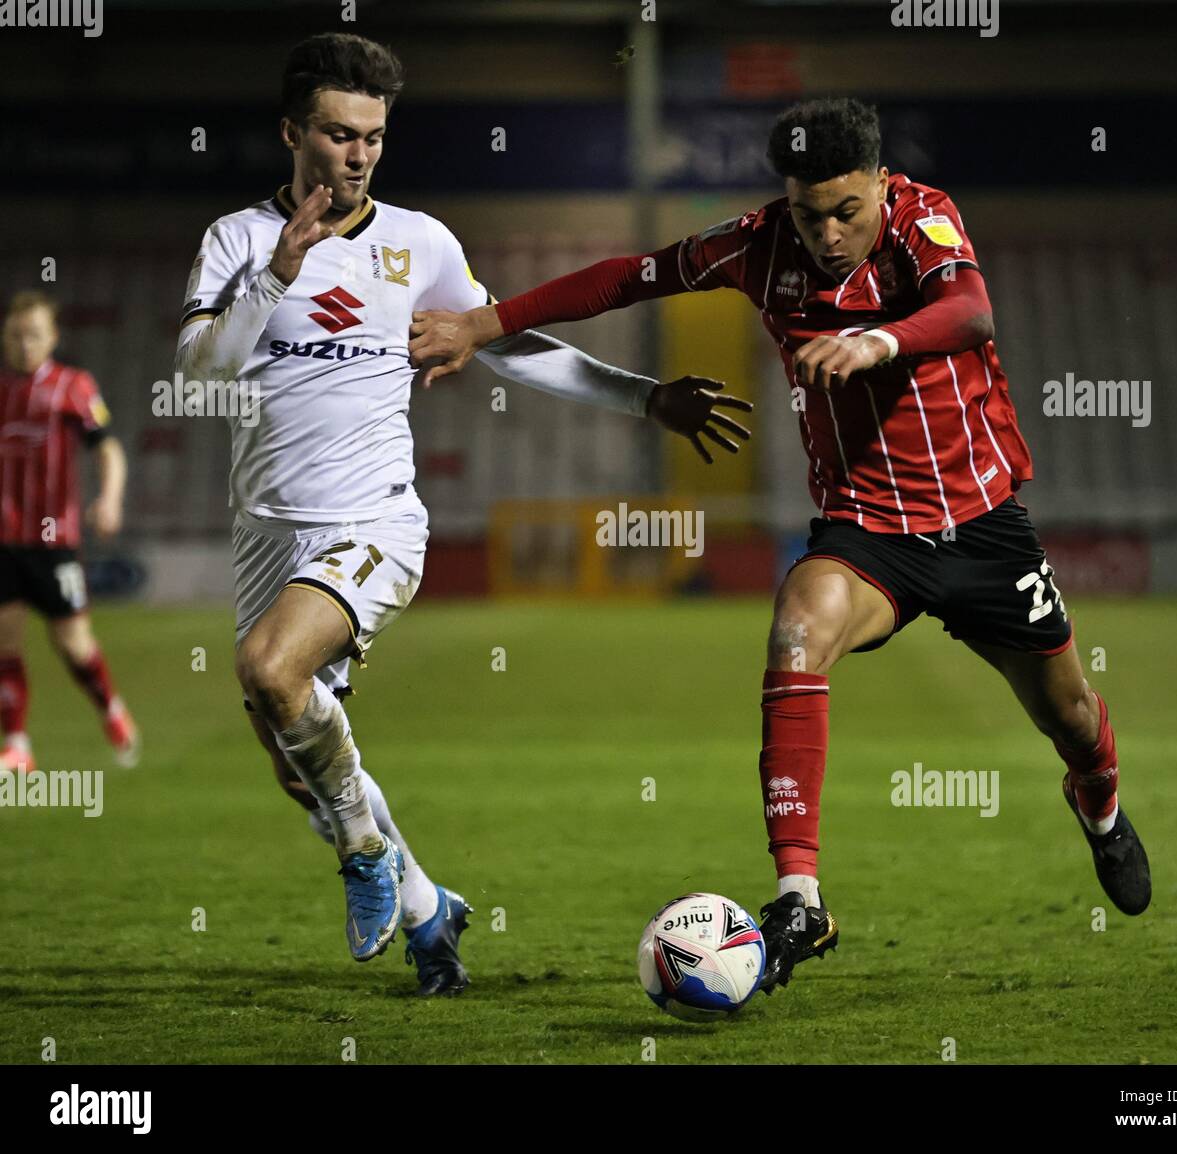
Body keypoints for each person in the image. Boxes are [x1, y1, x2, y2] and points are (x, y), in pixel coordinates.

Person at [408, 96, 1151, 995]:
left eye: (848, 211)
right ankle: (800, 896)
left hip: (983, 524)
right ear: (785, 201)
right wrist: (483, 325)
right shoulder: (757, 246)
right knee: (796, 629)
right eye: (810, 214)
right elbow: (627, 278)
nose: (830, 234)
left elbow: (969, 312)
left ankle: (1099, 804)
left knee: (1071, 719)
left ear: (880, 183)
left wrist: (876, 342)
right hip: (868, 530)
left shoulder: (925, 218)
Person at [175, 32, 751, 995]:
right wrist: (276, 272)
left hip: (373, 524)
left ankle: (365, 865)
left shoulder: (418, 244)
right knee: (301, 763)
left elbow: (509, 344)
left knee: (270, 670)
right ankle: (427, 907)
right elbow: (198, 372)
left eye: (372, 136)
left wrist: (645, 396)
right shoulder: (237, 242)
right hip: (265, 537)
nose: (356, 154)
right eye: (336, 133)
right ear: (291, 133)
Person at [0, 290, 139, 774]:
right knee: (5, 641)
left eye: (33, 334)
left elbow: (107, 448)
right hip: (4, 542)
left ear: (53, 337)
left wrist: (110, 497)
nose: (23, 344)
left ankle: (112, 710)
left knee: (73, 643)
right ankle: (17, 744)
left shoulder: (72, 386)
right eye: (15, 335)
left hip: (54, 542)